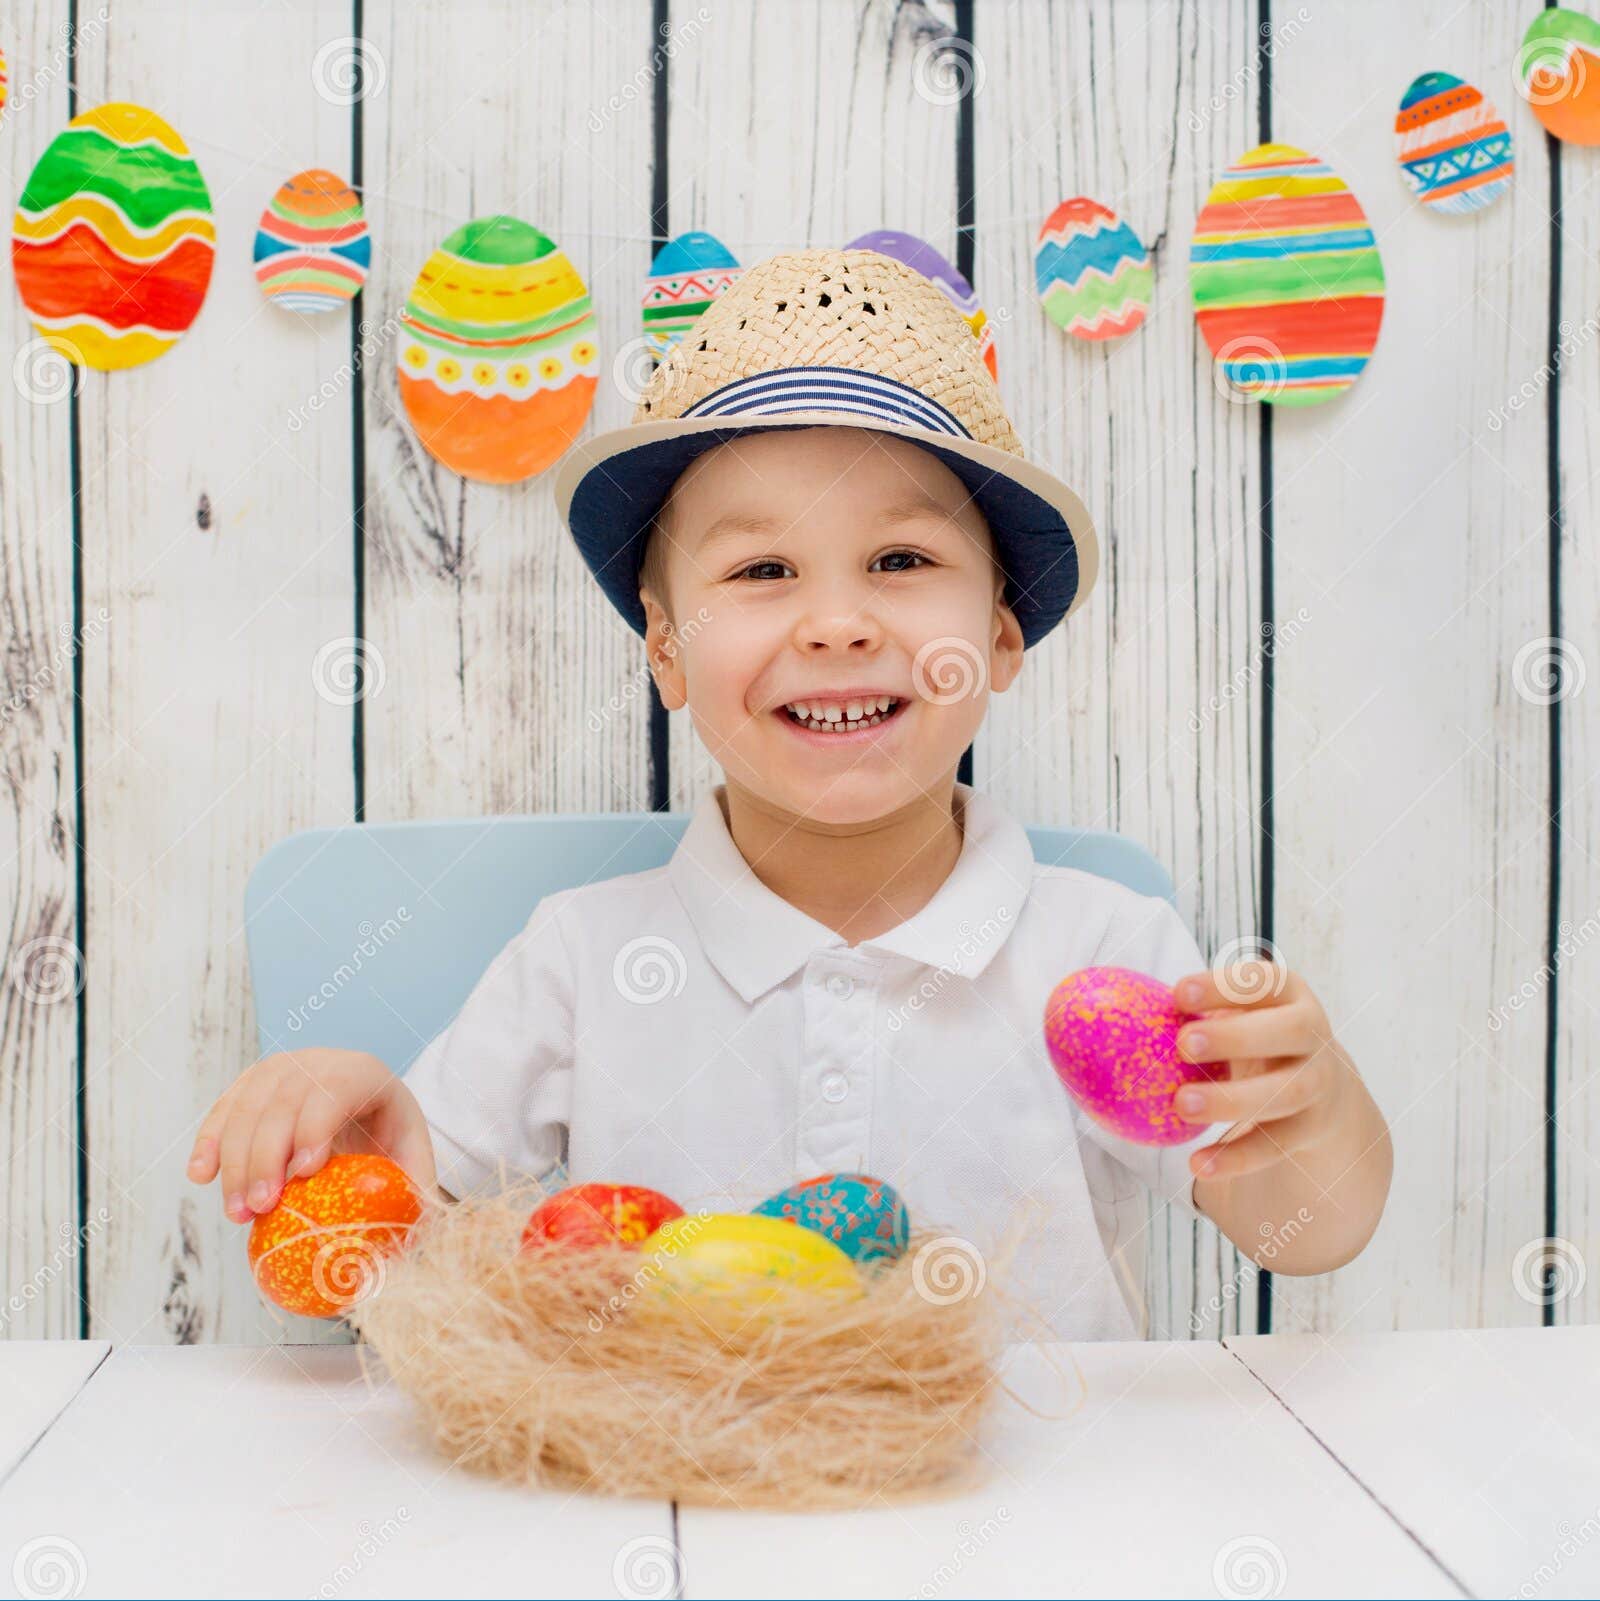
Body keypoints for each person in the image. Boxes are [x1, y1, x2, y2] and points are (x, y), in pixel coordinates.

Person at [190, 247, 1391, 1337]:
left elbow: (1307, 1228)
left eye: (902, 561)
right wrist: (382, 1172)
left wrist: (1313, 1111)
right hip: (681, 1537)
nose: (835, 622)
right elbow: (425, 1255)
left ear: (1002, 633)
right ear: (664, 648)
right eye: (763, 569)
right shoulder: (581, 958)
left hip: (1041, 1545)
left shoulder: (1104, 950)